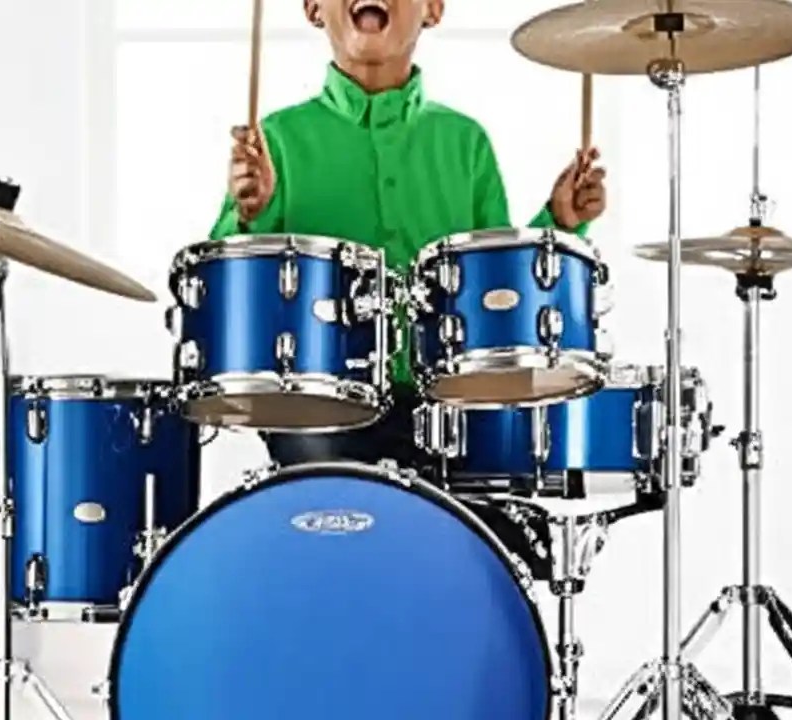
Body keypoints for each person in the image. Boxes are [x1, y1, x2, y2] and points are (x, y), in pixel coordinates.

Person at [209, 0, 608, 474]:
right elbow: (227, 289)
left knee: (498, 504)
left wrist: (559, 223)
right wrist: (249, 213)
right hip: (318, 413)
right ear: (313, 9)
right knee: (338, 502)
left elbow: (500, 293)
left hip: (449, 407)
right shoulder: (275, 140)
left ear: (433, 9)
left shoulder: (465, 142)